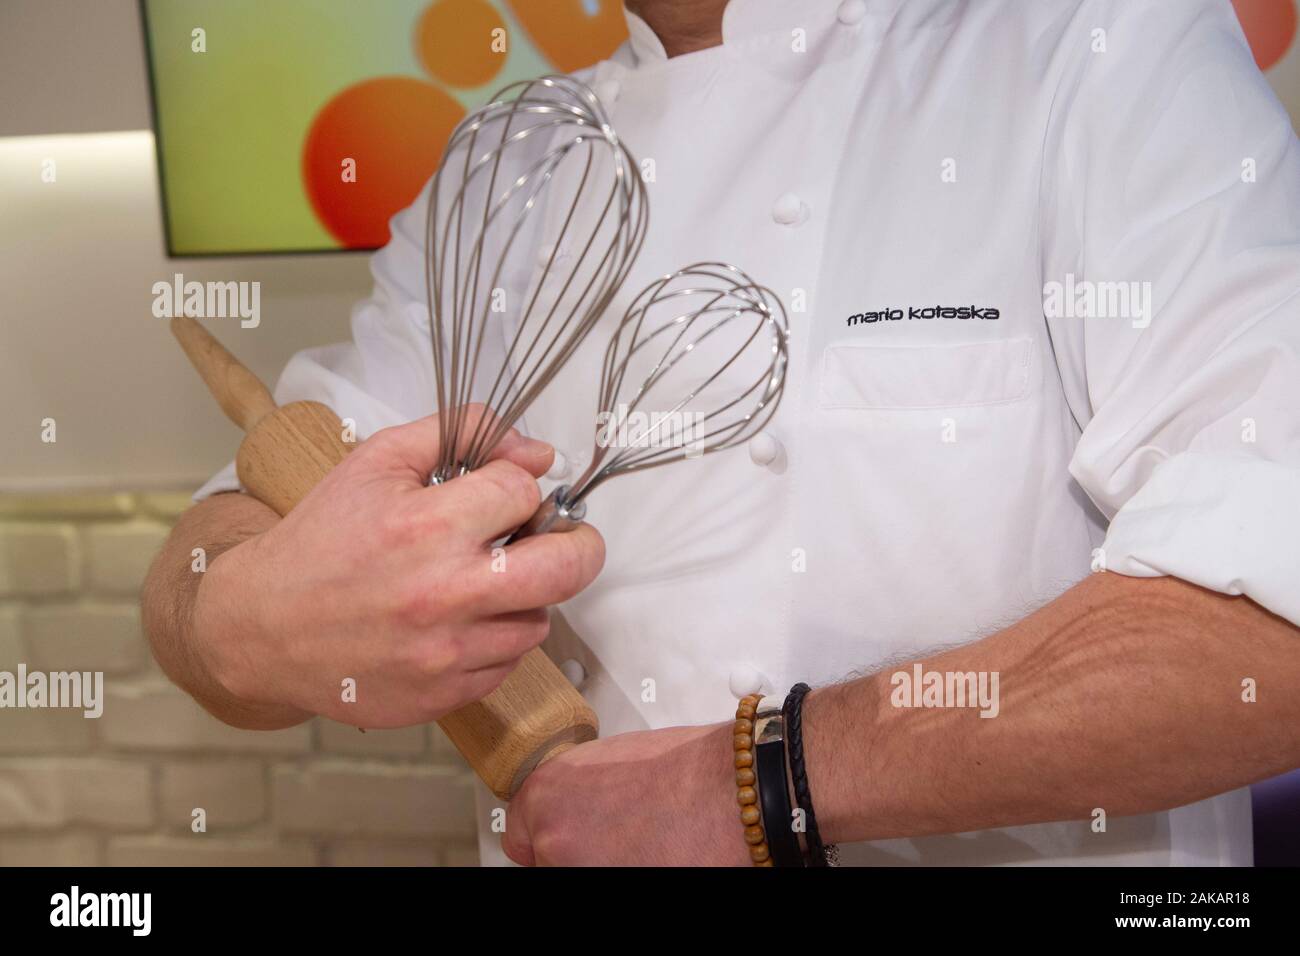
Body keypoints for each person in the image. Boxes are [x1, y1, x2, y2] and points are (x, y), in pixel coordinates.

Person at [144, 0, 1300, 866]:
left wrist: (756, 780)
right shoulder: (500, 173)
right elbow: (212, 546)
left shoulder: (1099, 50)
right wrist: (249, 617)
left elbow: (1270, 616)